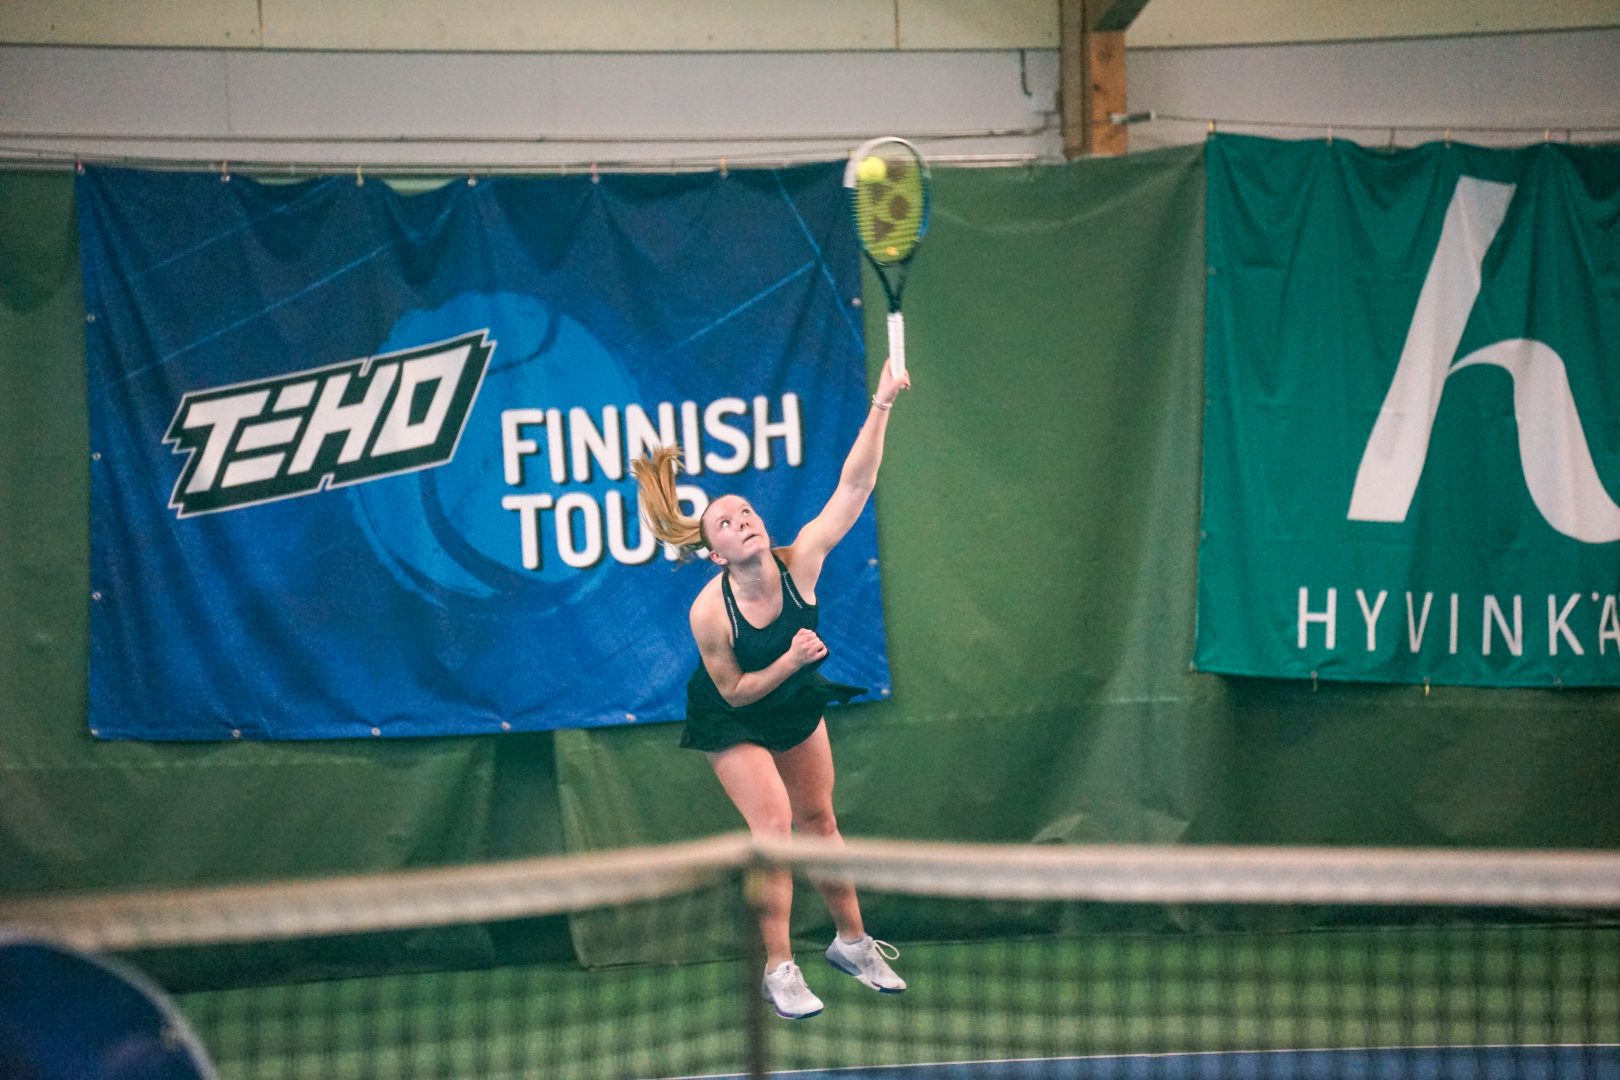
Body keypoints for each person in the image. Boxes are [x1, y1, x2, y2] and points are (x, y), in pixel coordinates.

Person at [630, 362, 911, 1020]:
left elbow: (854, 484)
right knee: (776, 827)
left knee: (821, 822)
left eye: (747, 511)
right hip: (733, 714)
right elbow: (733, 693)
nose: (743, 520)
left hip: (791, 701)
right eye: (726, 522)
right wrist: (788, 660)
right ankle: (778, 967)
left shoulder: (801, 560)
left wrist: (881, 404)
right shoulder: (709, 613)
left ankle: (851, 943)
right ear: (716, 552)